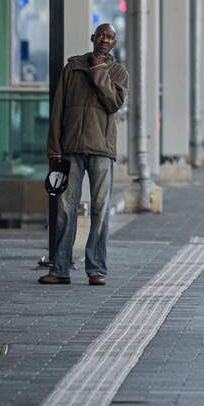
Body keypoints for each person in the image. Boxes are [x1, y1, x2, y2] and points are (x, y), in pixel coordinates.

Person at [39, 23, 128, 286]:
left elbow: (113, 103)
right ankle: (60, 268)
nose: (104, 39)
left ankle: (96, 269)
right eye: (101, 34)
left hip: (101, 150)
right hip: (70, 150)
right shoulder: (73, 68)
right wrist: (54, 148)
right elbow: (58, 109)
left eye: (110, 37)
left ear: (114, 43)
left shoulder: (117, 72)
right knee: (65, 211)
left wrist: (99, 69)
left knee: (100, 210)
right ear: (93, 37)